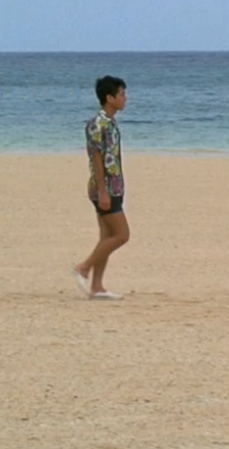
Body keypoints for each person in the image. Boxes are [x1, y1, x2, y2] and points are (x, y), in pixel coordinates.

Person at [73, 75, 131, 300]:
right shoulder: (97, 124)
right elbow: (96, 158)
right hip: (104, 188)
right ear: (109, 98)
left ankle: (97, 287)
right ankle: (84, 267)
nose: (125, 98)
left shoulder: (110, 122)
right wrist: (104, 191)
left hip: (114, 186)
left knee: (106, 236)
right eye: (122, 94)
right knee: (122, 235)